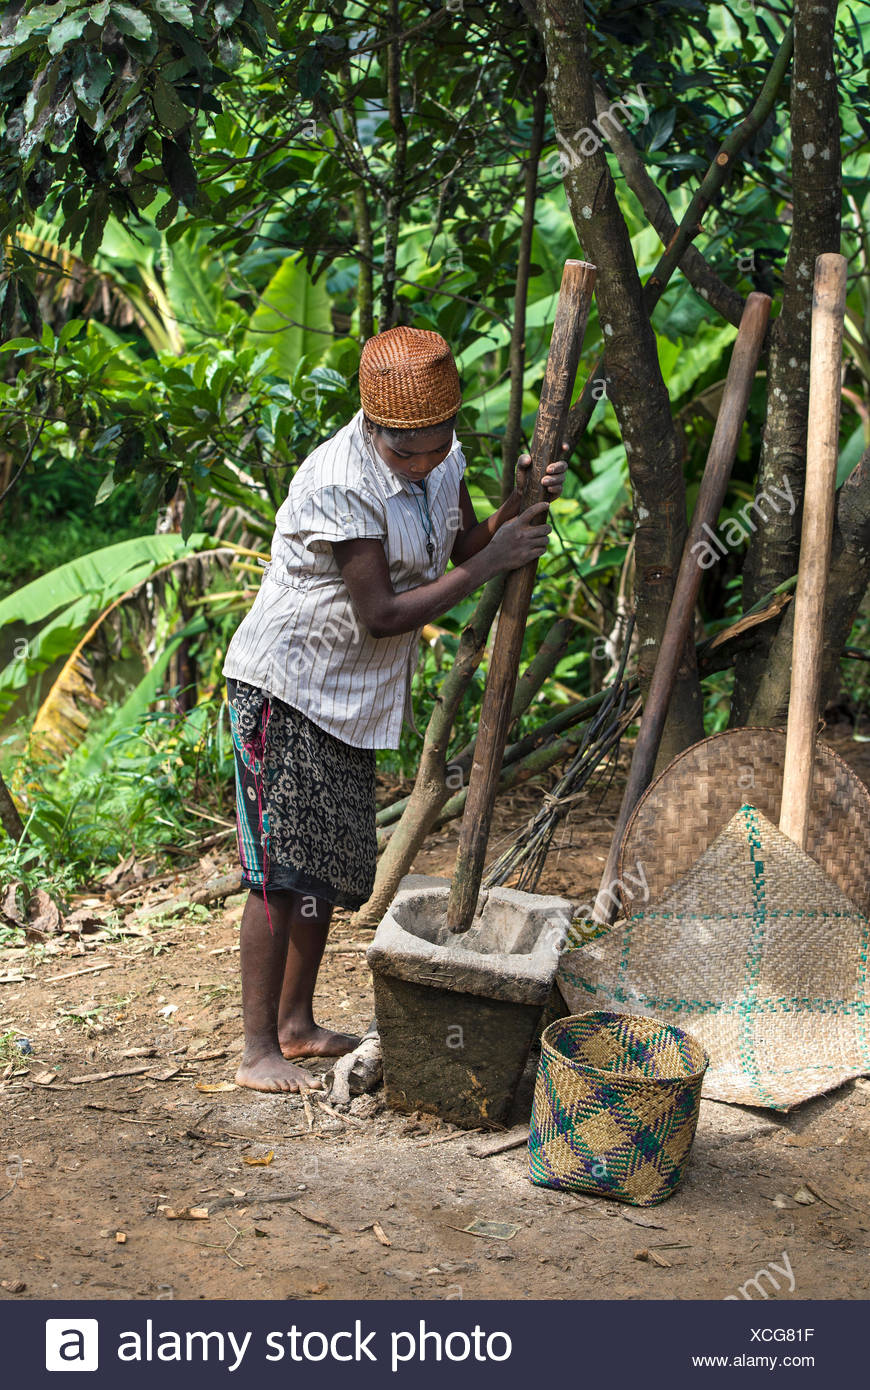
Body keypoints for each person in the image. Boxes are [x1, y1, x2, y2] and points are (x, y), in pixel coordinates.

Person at [222, 325, 567, 1092]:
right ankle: (256, 1053)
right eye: (404, 449)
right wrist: (491, 563)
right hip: (286, 688)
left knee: (325, 867)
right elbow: (381, 611)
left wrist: (519, 502)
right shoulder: (340, 479)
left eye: (435, 444)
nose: (422, 462)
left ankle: (296, 1024)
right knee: (279, 872)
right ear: (371, 426)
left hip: (351, 698)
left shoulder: (444, 459)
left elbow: (462, 542)